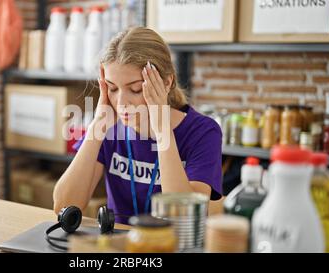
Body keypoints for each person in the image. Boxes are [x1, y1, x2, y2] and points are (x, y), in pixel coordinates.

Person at [53, 27, 222, 224]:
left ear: (166, 83)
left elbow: (183, 218)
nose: (122, 102)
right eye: (113, 88)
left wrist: (162, 130)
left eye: (135, 89)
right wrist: (97, 126)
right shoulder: (110, 128)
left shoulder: (203, 132)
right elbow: (63, 206)